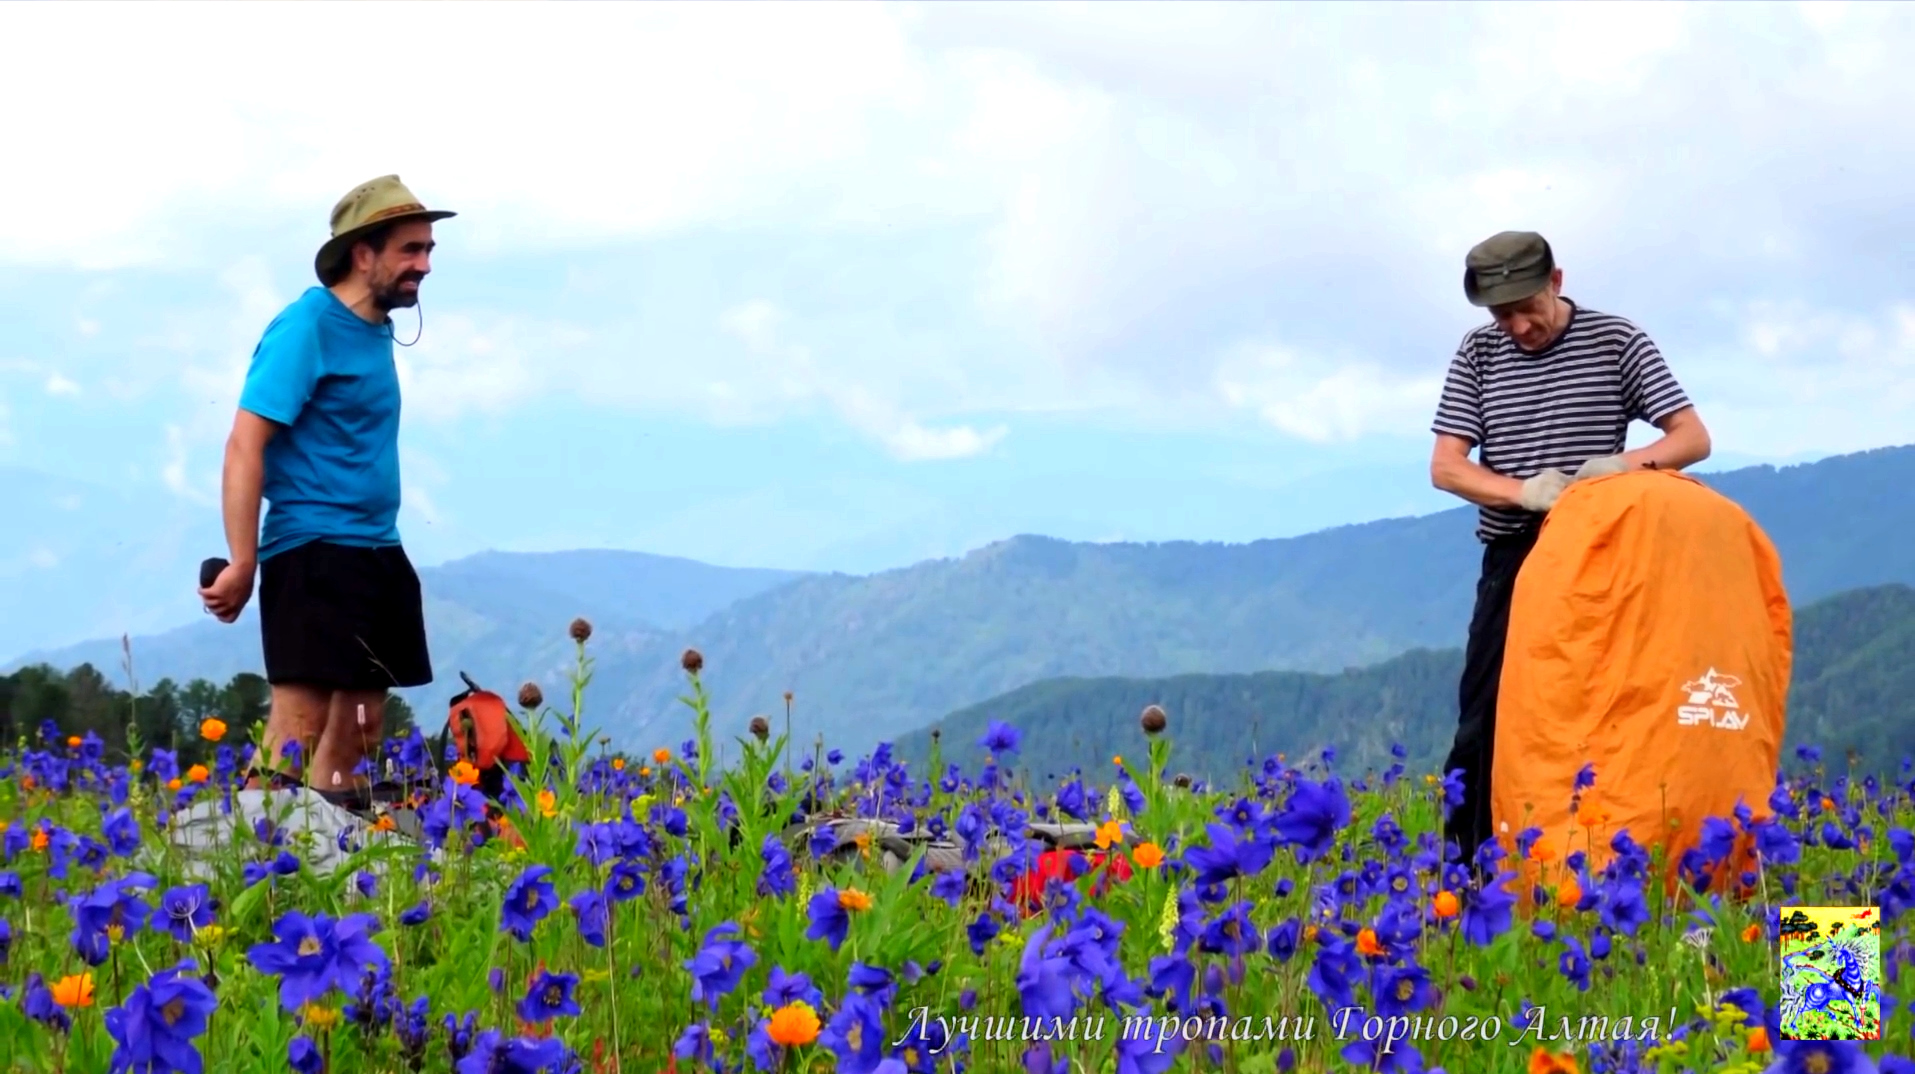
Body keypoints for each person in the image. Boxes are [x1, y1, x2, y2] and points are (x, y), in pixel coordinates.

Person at [1428, 230, 1712, 871]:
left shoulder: (1616, 340)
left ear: (1557, 281)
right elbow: (1446, 467)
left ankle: (1627, 871)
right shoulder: (1479, 353)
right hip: (1517, 554)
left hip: (1605, 556)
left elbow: (1692, 437)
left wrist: (1622, 466)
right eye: (1503, 314)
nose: (1519, 325)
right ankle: (1468, 881)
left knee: (1627, 717)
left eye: (1528, 305)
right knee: (1487, 719)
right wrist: (1521, 491)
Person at [199, 175, 454, 794]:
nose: (423, 264)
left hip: (376, 552)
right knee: (299, 726)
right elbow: (244, 444)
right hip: (312, 550)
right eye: (409, 250)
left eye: (428, 251)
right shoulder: (307, 325)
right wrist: (241, 561)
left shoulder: (372, 330)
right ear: (362, 253)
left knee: (362, 734)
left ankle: (329, 876)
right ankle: (252, 866)